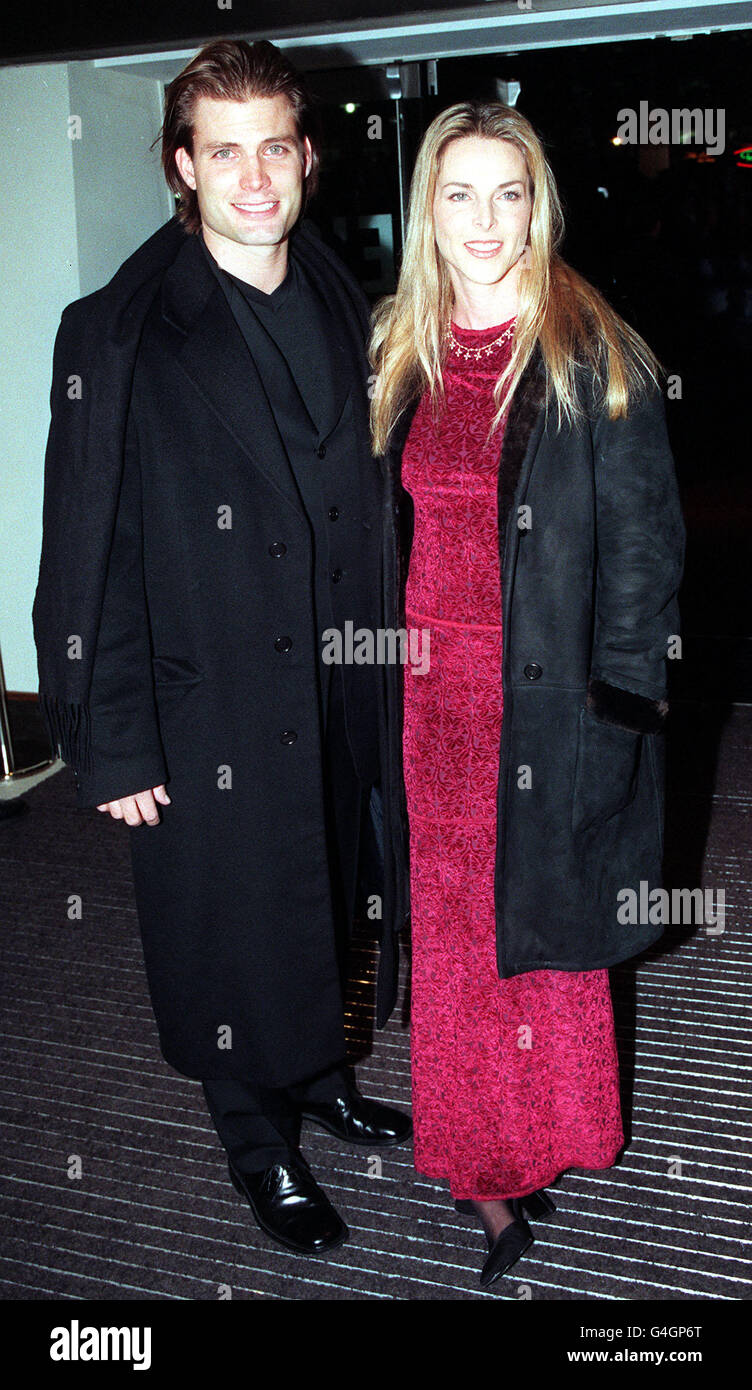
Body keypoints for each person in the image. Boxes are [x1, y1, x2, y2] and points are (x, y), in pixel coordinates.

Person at [32, 38, 410, 1260]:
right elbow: (84, 554)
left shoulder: (342, 290)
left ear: (305, 156)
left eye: (275, 148)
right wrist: (110, 738)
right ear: (182, 165)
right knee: (227, 926)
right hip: (205, 707)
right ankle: (261, 1147)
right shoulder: (117, 333)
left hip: (341, 677)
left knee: (324, 895)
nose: (255, 177)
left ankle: (316, 1077)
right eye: (224, 151)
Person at [370, 102, 685, 1288]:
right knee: (453, 937)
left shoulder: (590, 352)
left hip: (541, 699)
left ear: (536, 205)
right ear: (428, 213)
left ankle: (551, 1131)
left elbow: (648, 560)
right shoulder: (401, 343)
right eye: (459, 194)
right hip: (423, 695)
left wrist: (619, 716)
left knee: (543, 934)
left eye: (508, 193)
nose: (484, 219)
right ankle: (484, 1173)